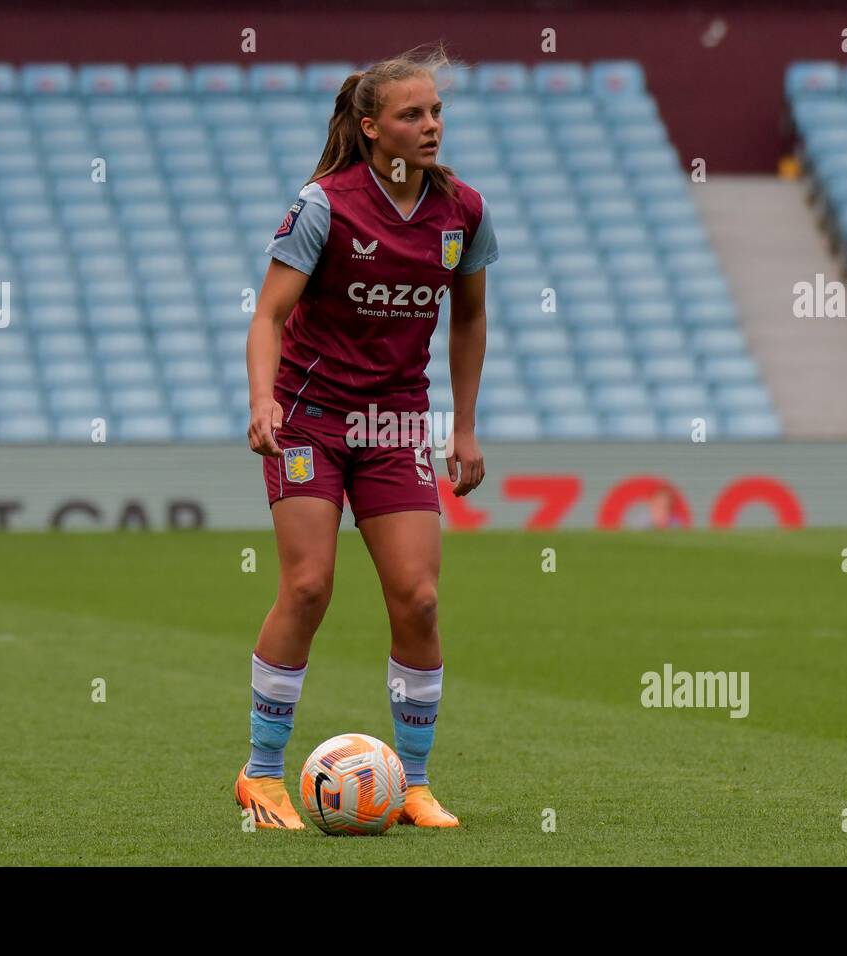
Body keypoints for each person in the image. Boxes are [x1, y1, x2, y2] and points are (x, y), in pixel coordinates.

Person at [237, 42, 499, 829]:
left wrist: (466, 426)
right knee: (310, 585)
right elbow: (268, 315)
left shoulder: (463, 210)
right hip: (310, 418)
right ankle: (261, 776)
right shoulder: (325, 204)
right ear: (371, 125)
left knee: (418, 600)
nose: (430, 127)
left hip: (394, 424)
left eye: (437, 112)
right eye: (412, 114)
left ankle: (413, 782)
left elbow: (472, 316)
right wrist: (262, 402)